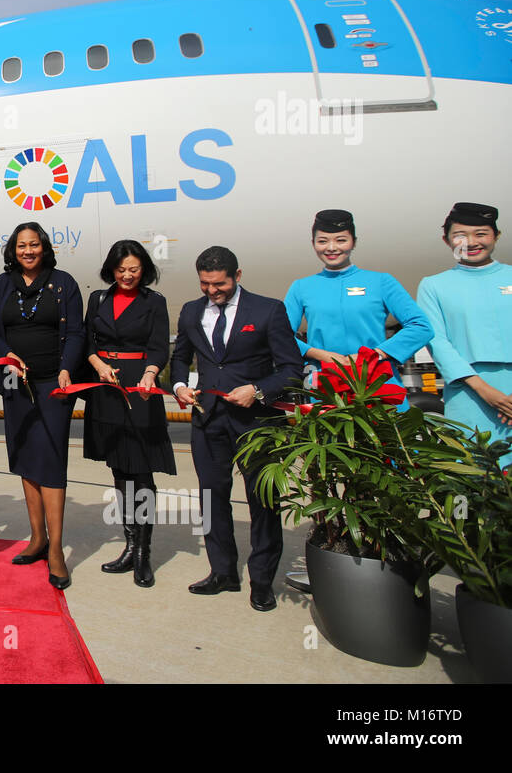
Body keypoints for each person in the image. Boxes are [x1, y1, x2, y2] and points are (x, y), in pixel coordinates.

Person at [170, 246, 303, 612]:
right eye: (206, 284)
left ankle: (262, 582)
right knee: (212, 499)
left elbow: (292, 368)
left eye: (220, 284)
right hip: (208, 419)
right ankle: (223, 572)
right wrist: (180, 386)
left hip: (256, 422)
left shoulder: (269, 310)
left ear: (238, 276)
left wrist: (258, 391)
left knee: (262, 501)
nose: (213, 291)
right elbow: (179, 358)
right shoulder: (191, 311)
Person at [0, 223, 84, 589]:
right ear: (13, 249)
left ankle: (55, 550)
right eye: (22, 245)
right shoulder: (1, 285)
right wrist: (4, 354)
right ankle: (37, 538)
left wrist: (66, 369)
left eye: (34, 244)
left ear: (44, 248)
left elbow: (75, 332)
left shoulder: (64, 283)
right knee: (26, 457)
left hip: (53, 385)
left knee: (52, 460)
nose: (28, 251)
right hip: (15, 384)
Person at [84, 239, 174, 588]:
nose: (127, 275)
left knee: (141, 472)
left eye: (133, 270)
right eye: (121, 270)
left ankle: (143, 553)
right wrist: (97, 364)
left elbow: (158, 345)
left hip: (140, 388)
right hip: (106, 387)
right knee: (120, 471)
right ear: (111, 270)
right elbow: (87, 340)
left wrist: (151, 372)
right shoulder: (99, 299)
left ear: (144, 270)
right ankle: (128, 544)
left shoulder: (154, 302)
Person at [283, 209, 432, 402]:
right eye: (322, 241)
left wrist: (373, 355)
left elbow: (421, 326)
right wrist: (322, 355)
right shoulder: (301, 287)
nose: (331, 247)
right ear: (313, 244)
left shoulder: (381, 282)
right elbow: (281, 335)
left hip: (378, 382)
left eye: (341, 240)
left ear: (354, 241)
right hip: (325, 385)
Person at [416, 202, 512, 471]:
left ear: (496, 236)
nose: (471, 242)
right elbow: (436, 341)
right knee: (474, 481)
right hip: (469, 392)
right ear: (447, 240)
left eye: (481, 233)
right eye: (460, 235)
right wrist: (487, 391)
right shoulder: (434, 285)